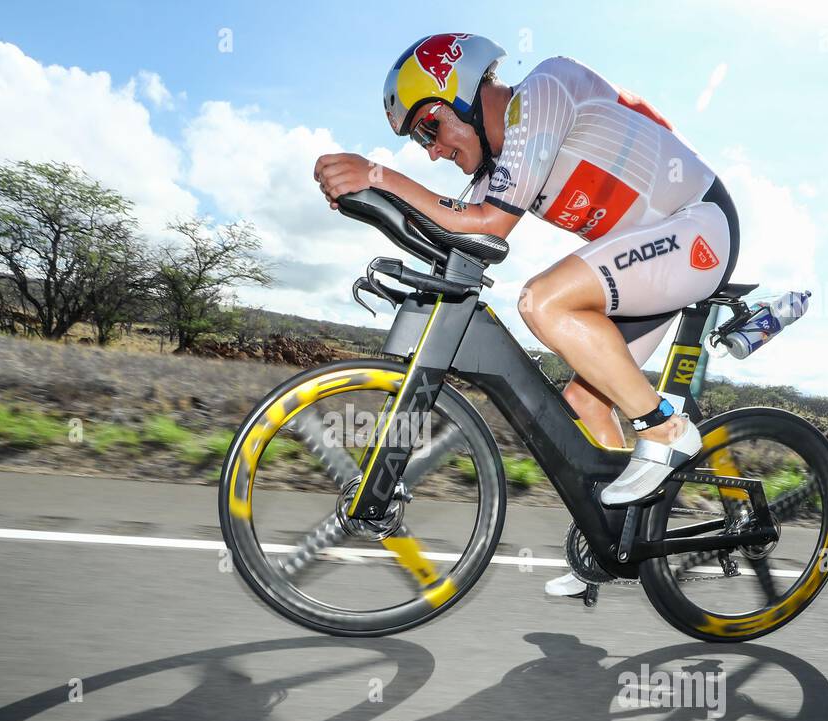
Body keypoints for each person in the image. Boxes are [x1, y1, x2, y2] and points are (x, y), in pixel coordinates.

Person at [314, 33, 740, 597]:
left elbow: (488, 223)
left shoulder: (542, 91)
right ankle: (618, 537)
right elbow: (453, 229)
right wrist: (368, 205)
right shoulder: (498, 169)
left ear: (462, 94)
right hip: (652, 256)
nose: (433, 152)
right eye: (421, 143)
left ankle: (666, 429)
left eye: (429, 129)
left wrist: (379, 176)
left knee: (544, 301)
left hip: (696, 225)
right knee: (584, 402)